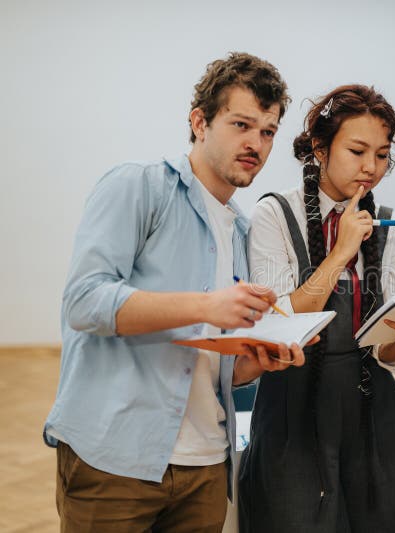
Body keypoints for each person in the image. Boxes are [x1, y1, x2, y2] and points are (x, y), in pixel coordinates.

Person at [43, 52, 306, 532]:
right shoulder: (138, 187)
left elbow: (216, 366)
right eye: (241, 124)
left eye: (267, 132)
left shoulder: (244, 233)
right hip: (115, 462)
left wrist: (257, 361)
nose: (256, 143)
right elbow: (85, 301)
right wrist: (207, 305)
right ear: (200, 122)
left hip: (206, 468)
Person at [240, 84, 395, 532]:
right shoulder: (274, 215)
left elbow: (384, 352)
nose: (370, 168)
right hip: (291, 417)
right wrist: (339, 254)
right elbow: (279, 321)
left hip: (376, 417)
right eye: (357, 150)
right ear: (320, 147)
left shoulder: (392, 227)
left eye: (381, 155)